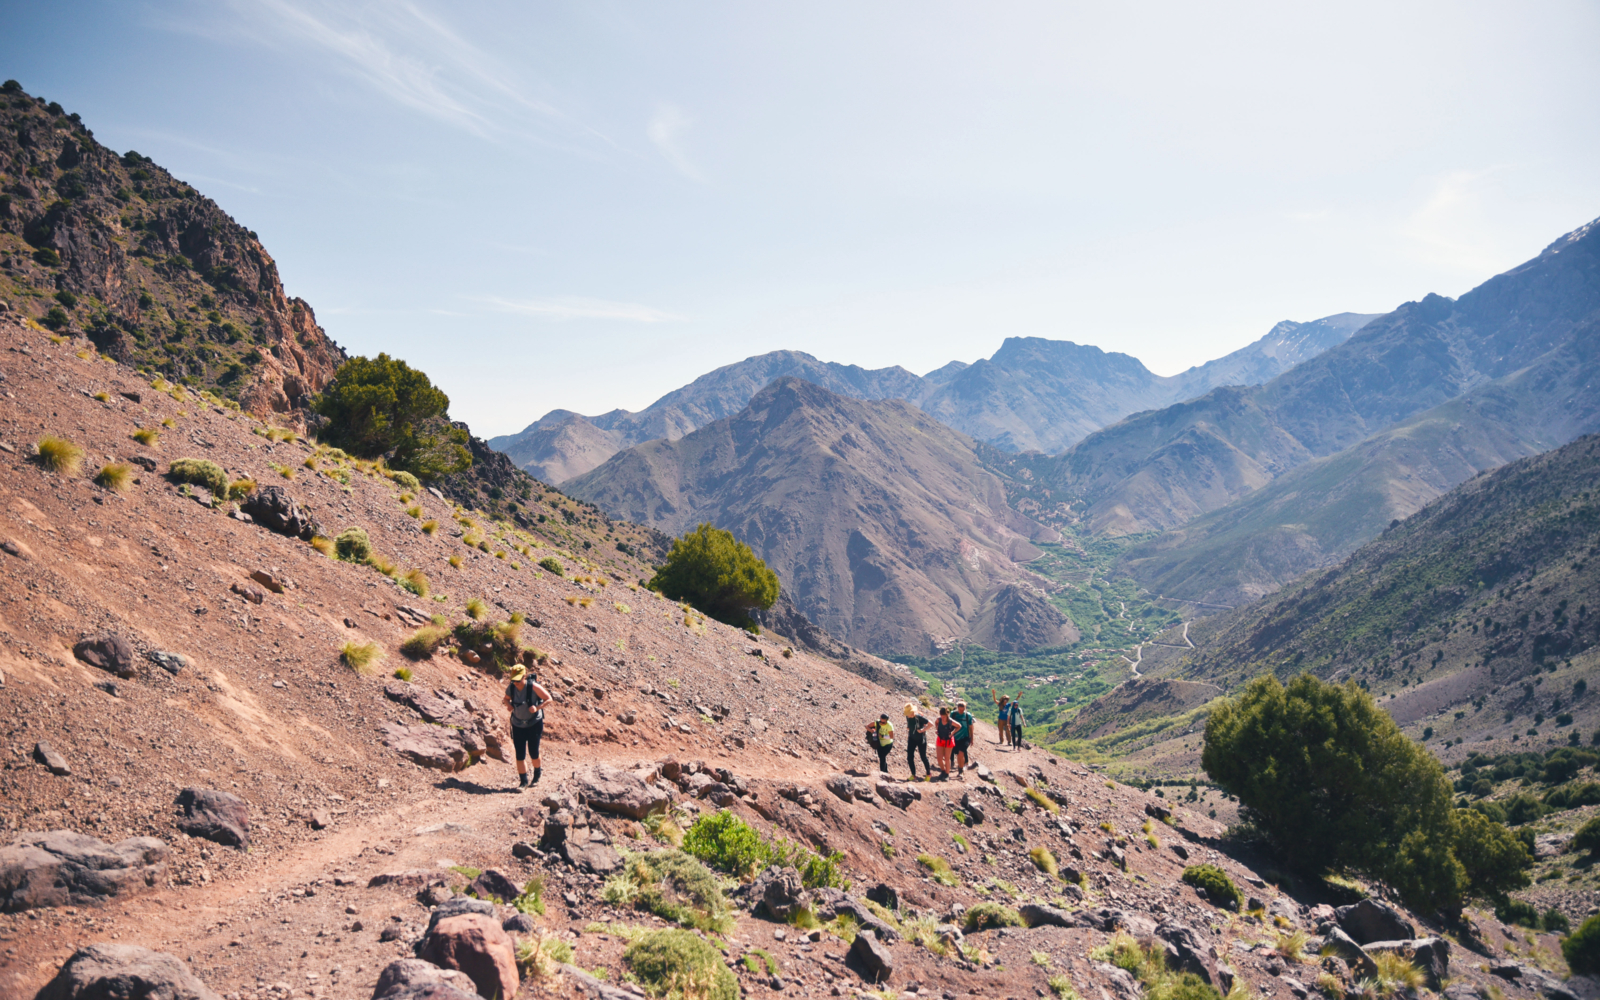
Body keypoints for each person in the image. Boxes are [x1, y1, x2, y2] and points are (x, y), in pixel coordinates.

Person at [503, 665, 552, 789]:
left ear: (524, 677)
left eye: (518, 680)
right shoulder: (511, 687)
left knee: (533, 752)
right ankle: (523, 782)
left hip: (534, 723)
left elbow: (548, 699)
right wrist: (508, 705)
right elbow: (506, 699)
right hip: (517, 724)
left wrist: (537, 708)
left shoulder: (533, 687)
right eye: (514, 680)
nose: (516, 683)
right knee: (520, 754)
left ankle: (537, 773)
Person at [903, 703, 932, 779]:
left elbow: (931, 724)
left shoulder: (919, 717)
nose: (908, 715)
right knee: (909, 757)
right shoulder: (908, 717)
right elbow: (909, 725)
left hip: (921, 739)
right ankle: (913, 775)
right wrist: (909, 728)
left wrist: (922, 730)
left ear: (912, 712)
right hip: (911, 738)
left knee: (923, 757)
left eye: (908, 713)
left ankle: (928, 773)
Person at [949, 700, 975, 778]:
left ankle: (960, 771)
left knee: (961, 753)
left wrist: (971, 738)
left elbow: (971, 727)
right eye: (960, 709)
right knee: (958, 754)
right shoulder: (953, 714)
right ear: (957, 708)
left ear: (965, 708)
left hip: (965, 737)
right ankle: (960, 767)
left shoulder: (968, 716)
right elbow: (949, 724)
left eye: (962, 710)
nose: (961, 711)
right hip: (955, 737)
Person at [933, 706, 956, 779]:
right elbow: (936, 723)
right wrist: (937, 729)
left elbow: (959, 726)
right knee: (939, 758)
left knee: (947, 758)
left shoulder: (950, 721)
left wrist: (952, 732)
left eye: (944, 716)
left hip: (948, 741)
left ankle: (947, 774)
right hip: (940, 739)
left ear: (947, 715)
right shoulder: (939, 719)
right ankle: (943, 771)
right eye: (941, 716)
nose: (942, 718)